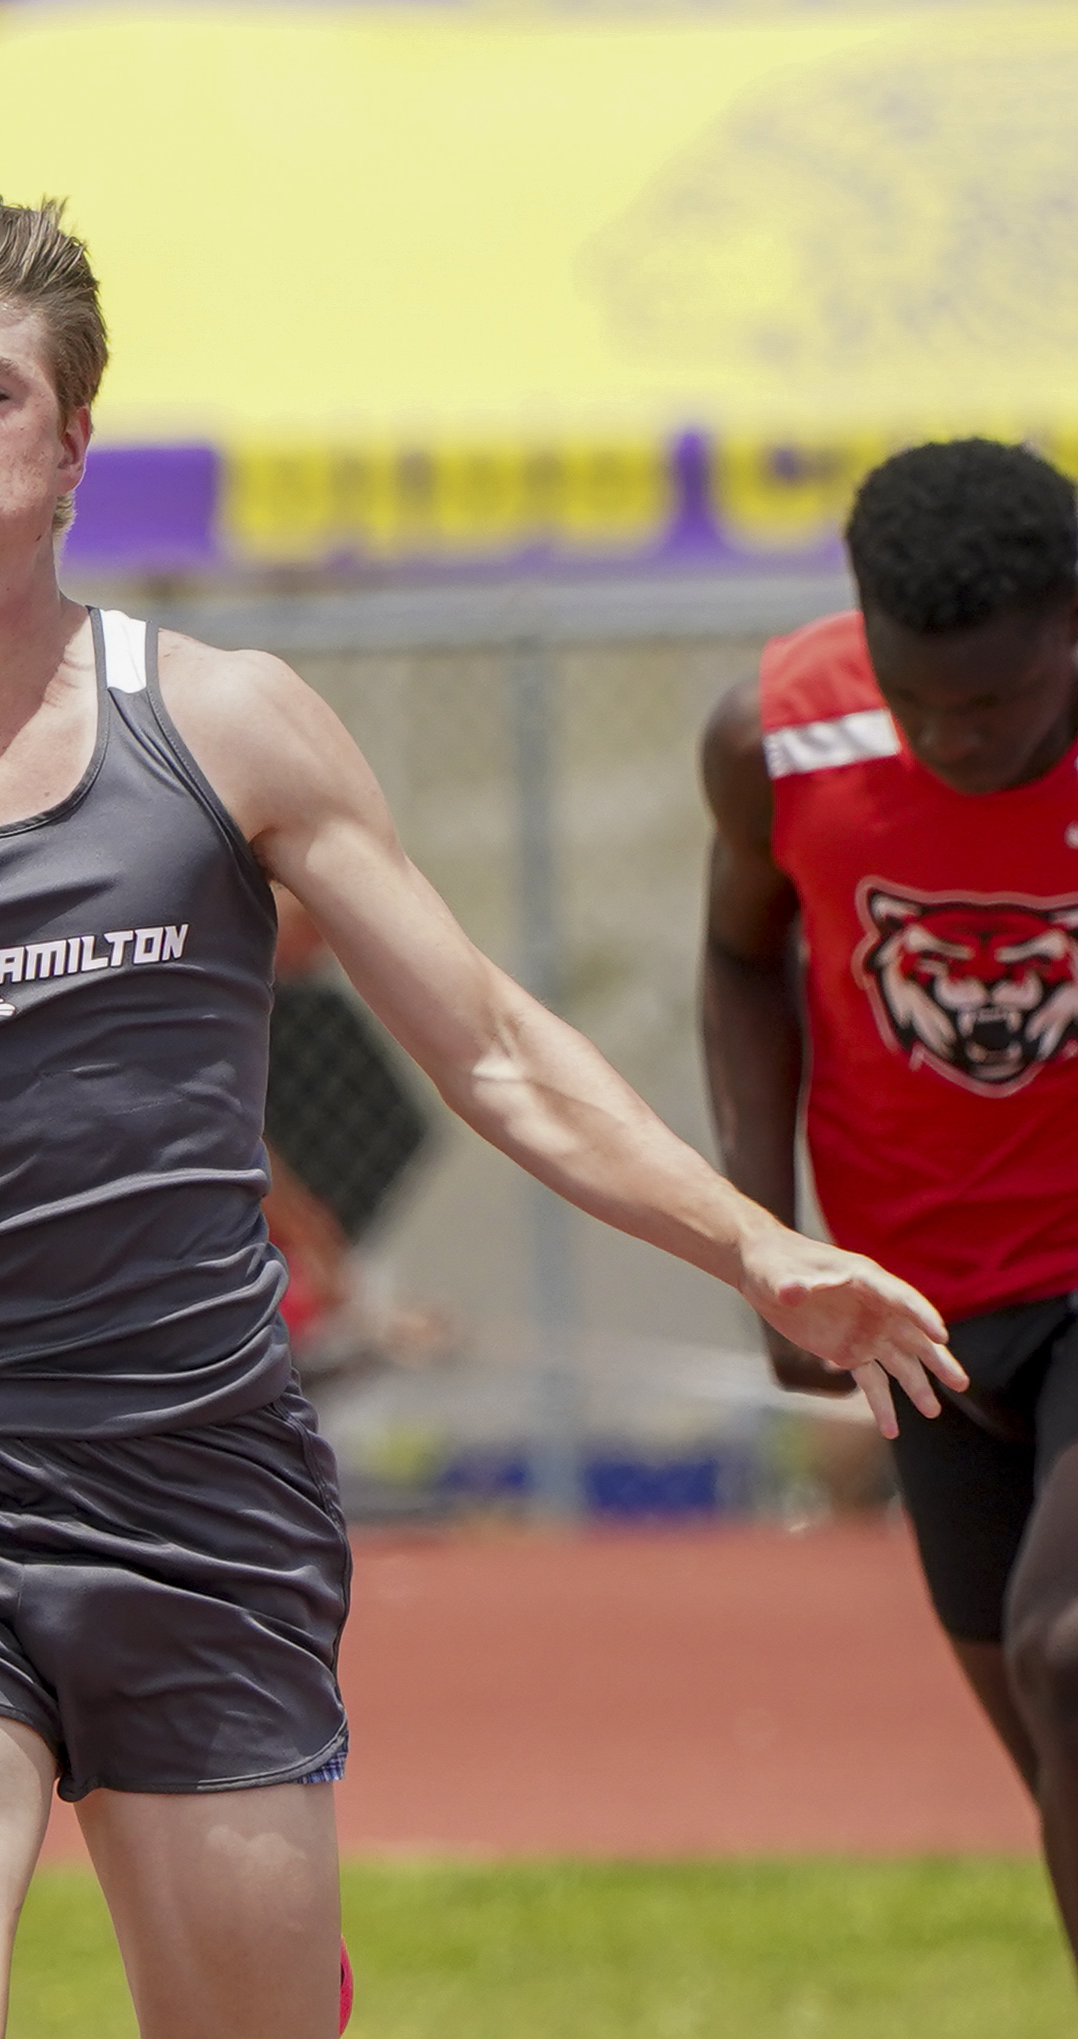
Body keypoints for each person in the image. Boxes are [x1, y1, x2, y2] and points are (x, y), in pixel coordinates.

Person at [0, 189, 967, 2039]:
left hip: (199, 1487)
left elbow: (494, 1044)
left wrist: (767, 1250)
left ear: (73, 443)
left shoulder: (226, 722)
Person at [701, 436, 1078, 1956]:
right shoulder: (774, 740)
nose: (947, 738)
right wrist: (765, 1234)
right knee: (1048, 1745)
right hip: (919, 1305)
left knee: (1071, 1655)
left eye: (992, 703)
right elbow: (741, 959)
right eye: (915, 695)